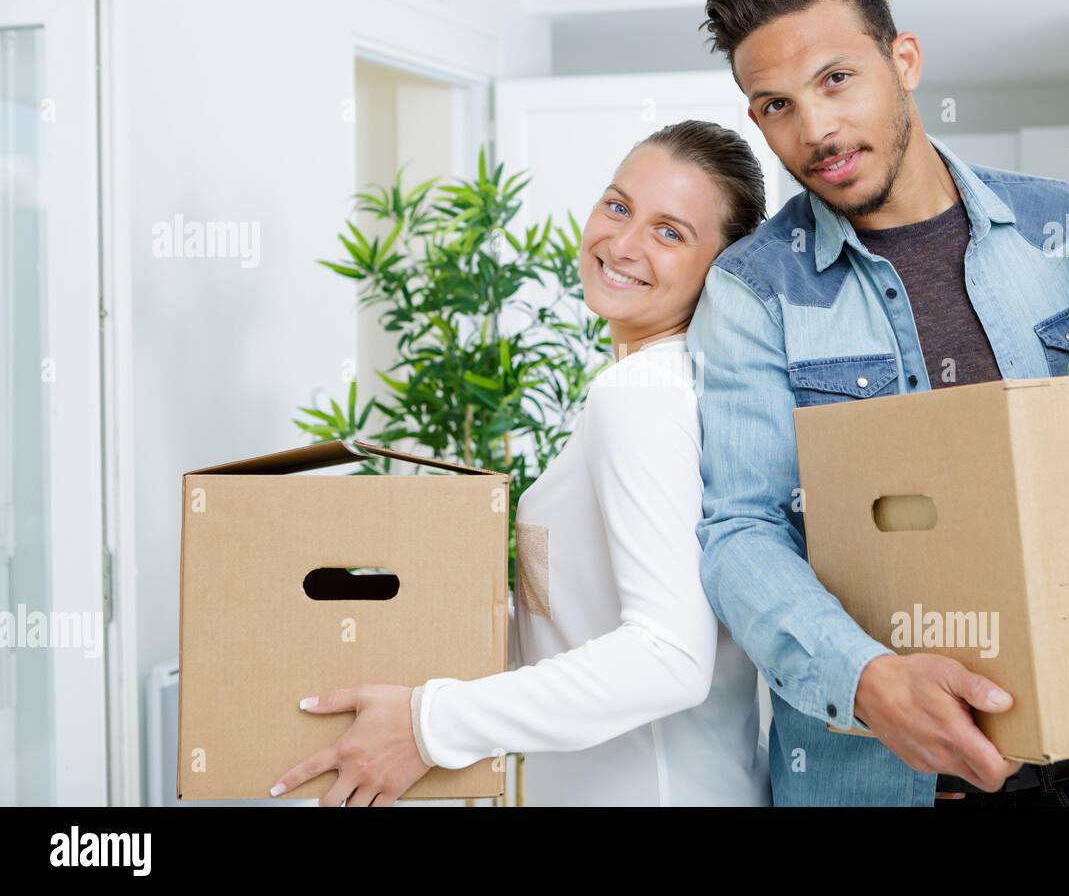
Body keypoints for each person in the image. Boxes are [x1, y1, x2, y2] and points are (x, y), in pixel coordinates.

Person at [688, 0, 1069, 806]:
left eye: (837, 80)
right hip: (890, 780)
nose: (816, 131)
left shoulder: (1067, 225)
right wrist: (868, 681)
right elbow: (742, 532)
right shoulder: (757, 289)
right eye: (776, 105)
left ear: (904, 61)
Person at [270, 120, 772, 807]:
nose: (621, 244)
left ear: (725, 265)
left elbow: (669, 660)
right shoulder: (682, 383)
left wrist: (427, 725)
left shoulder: (639, 396)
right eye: (619, 206)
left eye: (670, 232)